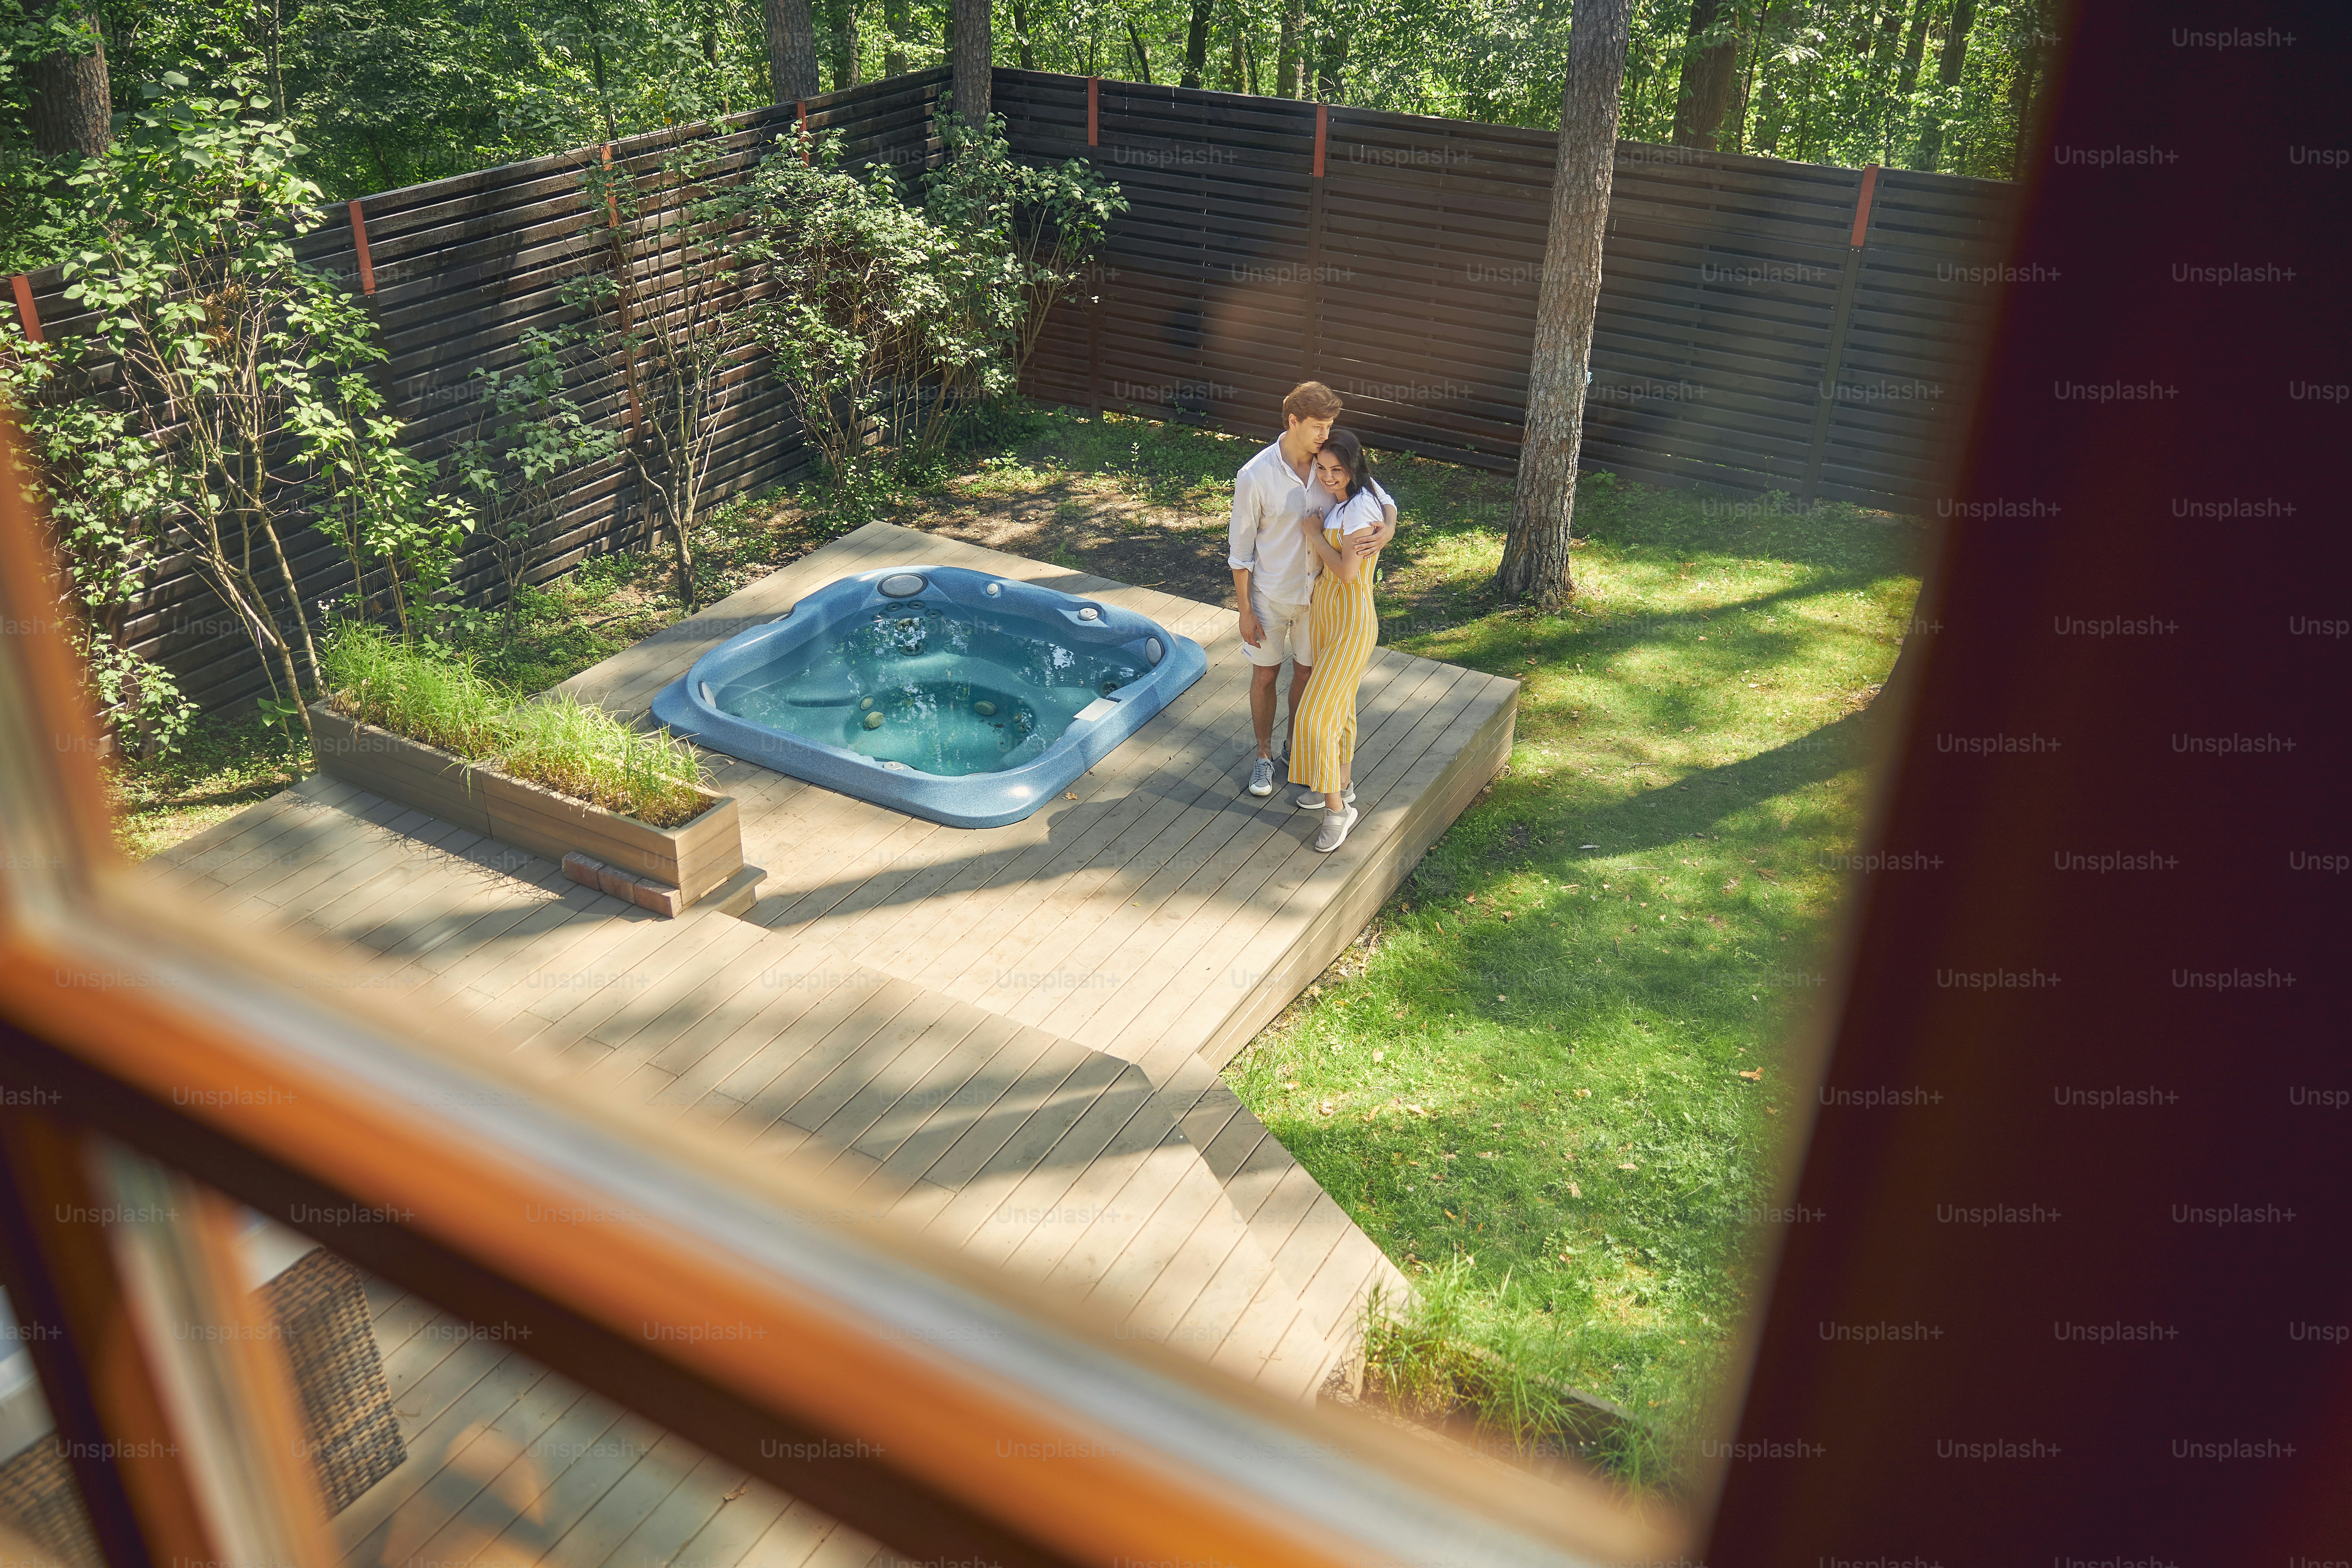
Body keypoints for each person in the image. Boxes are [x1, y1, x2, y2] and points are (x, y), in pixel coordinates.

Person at [1227, 382, 1393, 797]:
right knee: (1266, 676)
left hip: (1318, 601)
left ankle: (1294, 748)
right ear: (1293, 422)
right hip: (1269, 596)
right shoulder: (1255, 476)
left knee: (1306, 674)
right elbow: (1240, 552)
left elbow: (1380, 497)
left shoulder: (1331, 464)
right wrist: (1245, 610)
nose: (1325, 433)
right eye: (1318, 425)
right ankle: (1264, 756)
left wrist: (1387, 531)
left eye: (1331, 425)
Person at [1288, 429, 1389, 851]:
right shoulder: (1362, 493)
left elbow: (1348, 573)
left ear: (1353, 468)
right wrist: (1393, 525)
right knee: (1341, 710)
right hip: (1327, 618)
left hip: (1350, 621)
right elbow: (1391, 503)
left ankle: (1337, 812)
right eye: (1323, 468)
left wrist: (1313, 535)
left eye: (1337, 470)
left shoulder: (1359, 506)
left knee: (1315, 716)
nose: (1329, 477)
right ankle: (1342, 784)